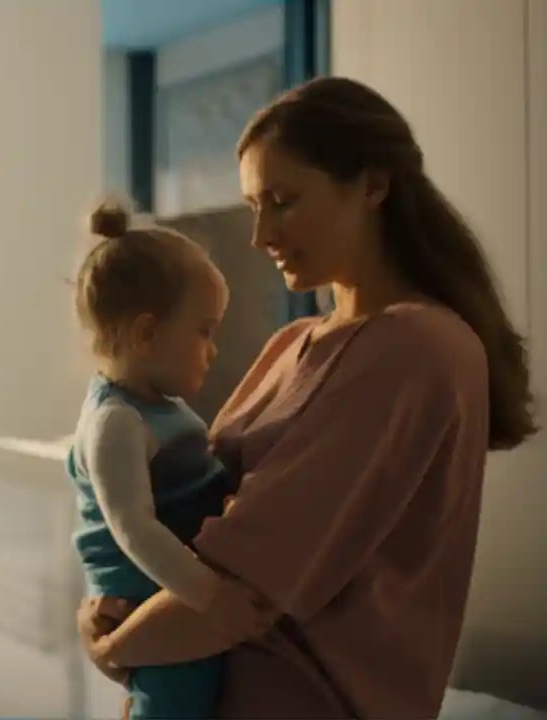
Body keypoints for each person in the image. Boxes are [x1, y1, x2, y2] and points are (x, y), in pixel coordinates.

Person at [76, 76, 536, 719]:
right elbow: (189, 519)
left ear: (374, 187)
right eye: (252, 205)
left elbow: (244, 590)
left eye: (283, 201)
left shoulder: (415, 348)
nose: (261, 234)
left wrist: (114, 649)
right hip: (198, 680)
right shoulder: (292, 342)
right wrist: (104, 604)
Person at [68, 203, 264, 718]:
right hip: (147, 595)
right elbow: (135, 529)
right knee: (177, 701)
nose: (212, 350)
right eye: (204, 331)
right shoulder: (115, 422)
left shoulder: (159, 405)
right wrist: (209, 595)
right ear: (147, 334)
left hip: (175, 586)